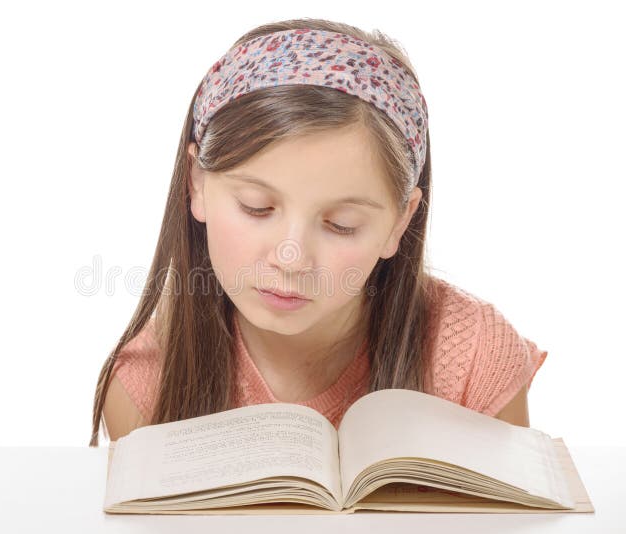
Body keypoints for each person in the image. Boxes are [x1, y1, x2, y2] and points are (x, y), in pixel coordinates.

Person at [87, 18, 547, 447]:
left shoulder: (474, 362)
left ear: (400, 222)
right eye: (257, 207)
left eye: (340, 225)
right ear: (198, 184)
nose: (291, 257)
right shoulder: (145, 384)